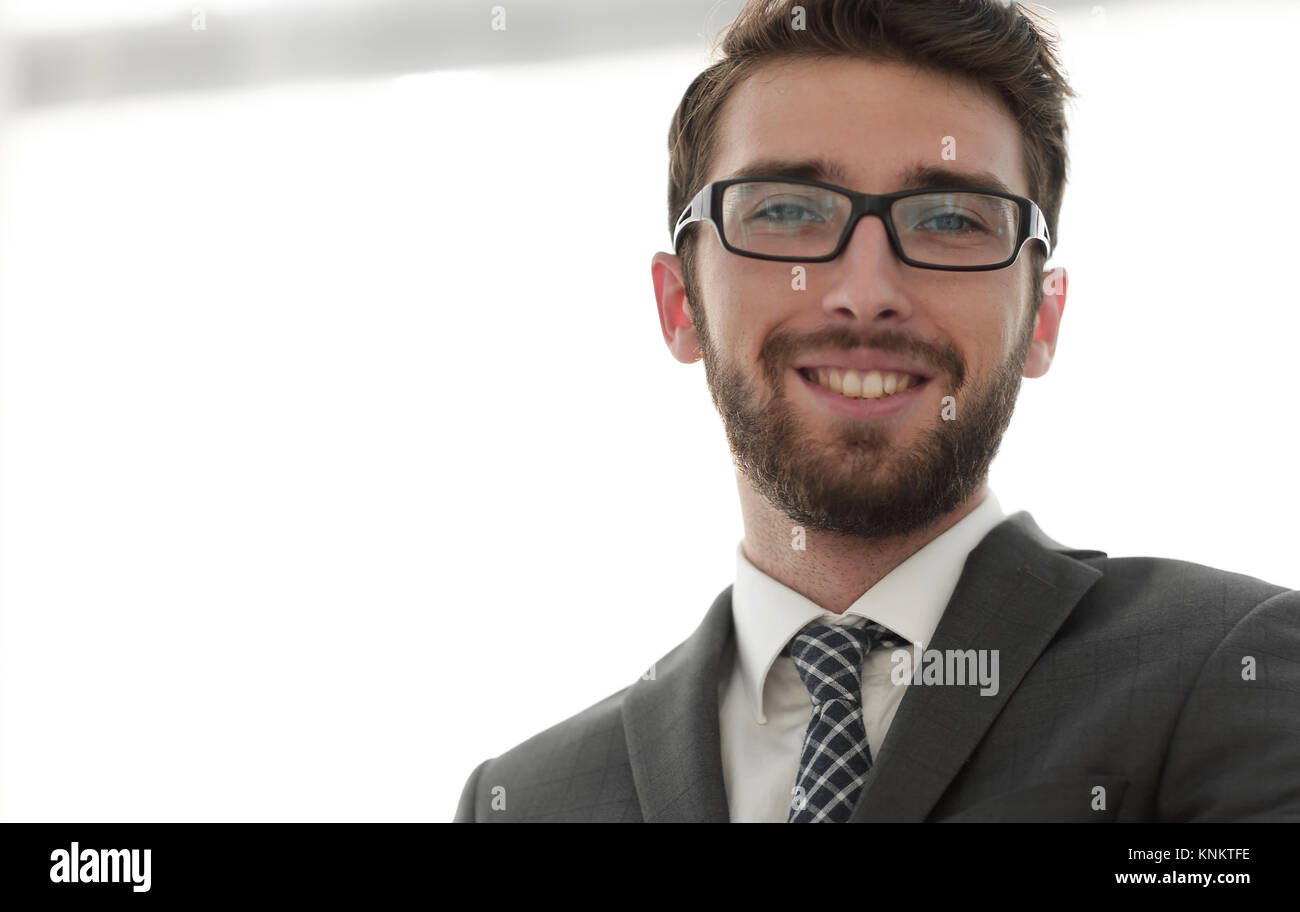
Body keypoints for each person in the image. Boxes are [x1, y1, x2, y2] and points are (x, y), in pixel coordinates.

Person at [453, 0, 1300, 822]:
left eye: (950, 219)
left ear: (1042, 319)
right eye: (785, 210)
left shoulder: (1232, 666)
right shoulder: (528, 800)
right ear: (680, 304)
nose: (866, 294)